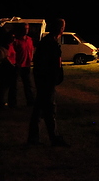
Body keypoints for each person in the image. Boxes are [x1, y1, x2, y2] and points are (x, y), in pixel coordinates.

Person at [28, 18, 67, 146]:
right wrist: (52, 78)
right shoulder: (49, 43)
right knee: (49, 109)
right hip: (46, 81)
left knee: (39, 109)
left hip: (44, 80)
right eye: (62, 27)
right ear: (60, 29)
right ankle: (54, 137)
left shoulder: (48, 42)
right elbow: (47, 64)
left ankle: (34, 138)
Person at [12, 23, 36, 105]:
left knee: (28, 85)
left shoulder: (29, 39)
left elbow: (32, 50)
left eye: (27, 28)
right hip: (18, 65)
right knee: (14, 85)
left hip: (27, 65)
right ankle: (13, 102)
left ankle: (30, 101)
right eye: (25, 28)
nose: (26, 30)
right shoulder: (16, 41)